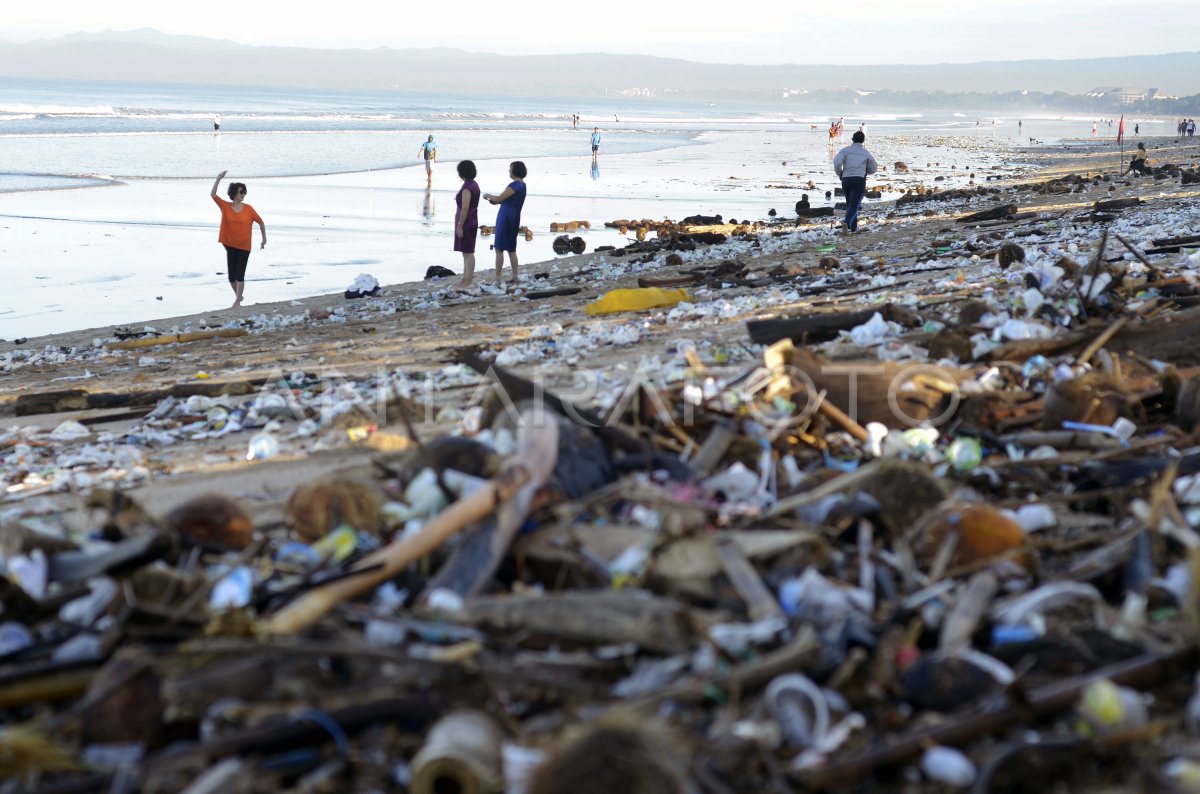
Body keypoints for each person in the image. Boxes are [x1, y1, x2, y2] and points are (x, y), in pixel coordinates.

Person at [210, 171, 266, 308]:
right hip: (229, 245)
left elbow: (261, 222)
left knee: (240, 275)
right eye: (241, 192)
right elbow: (213, 195)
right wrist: (218, 178)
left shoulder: (249, 209)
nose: (243, 195)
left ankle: (237, 302)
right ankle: (238, 296)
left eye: (244, 192)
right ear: (234, 193)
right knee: (231, 277)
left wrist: (264, 239)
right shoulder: (225, 207)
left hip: (244, 246)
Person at [484, 161, 527, 283]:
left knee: (499, 248)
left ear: (515, 171)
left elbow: (499, 199)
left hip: (505, 217)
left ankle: (497, 277)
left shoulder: (514, 185)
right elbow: (503, 200)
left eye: (510, 169)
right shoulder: (523, 185)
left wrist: (487, 195)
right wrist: (493, 200)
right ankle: (515, 275)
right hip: (514, 217)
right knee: (511, 248)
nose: (509, 171)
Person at [832, 130, 877, 234]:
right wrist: (866, 170)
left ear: (852, 140)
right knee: (855, 204)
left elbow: (837, 162)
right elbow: (873, 168)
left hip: (846, 179)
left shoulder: (845, 150)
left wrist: (839, 173)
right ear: (863, 140)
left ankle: (853, 227)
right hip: (859, 179)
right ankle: (847, 223)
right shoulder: (866, 153)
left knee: (850, 204)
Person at [453, 160, 481, 288]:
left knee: (468, 251)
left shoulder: (467, 187)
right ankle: (465, 278)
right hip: (471, 218)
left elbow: (465, 208)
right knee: (466, 251)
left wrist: (460, 225)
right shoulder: (473, 184)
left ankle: (468, 280)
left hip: (467, 221)